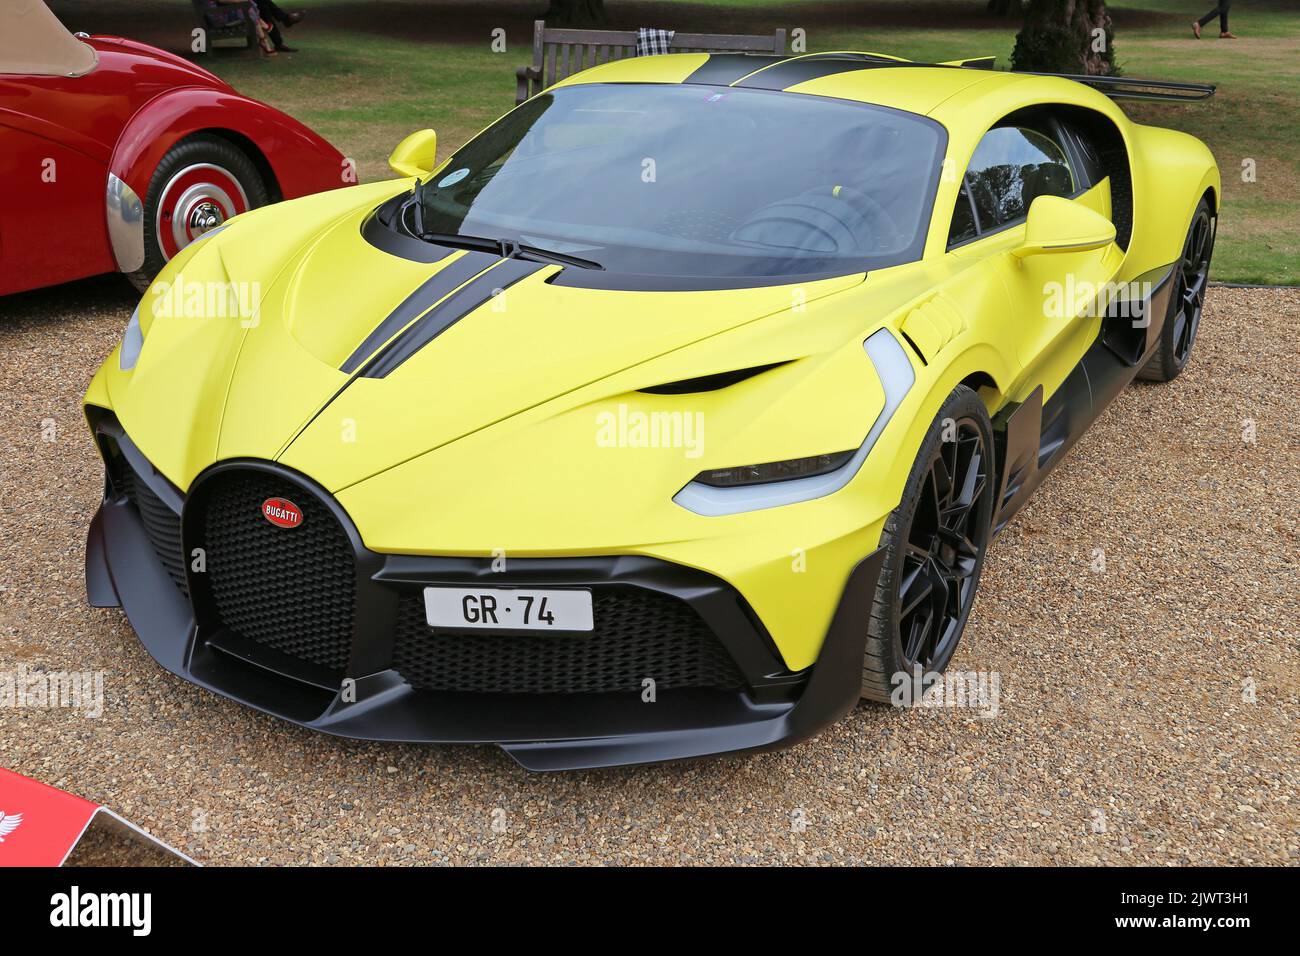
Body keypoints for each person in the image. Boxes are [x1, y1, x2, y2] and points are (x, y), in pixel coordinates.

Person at [203, 1, 305, 56]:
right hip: (223, 12)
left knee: (262, 4)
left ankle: (282, 23)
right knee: (260, 6)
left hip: (225, 8)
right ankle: (281, 24)